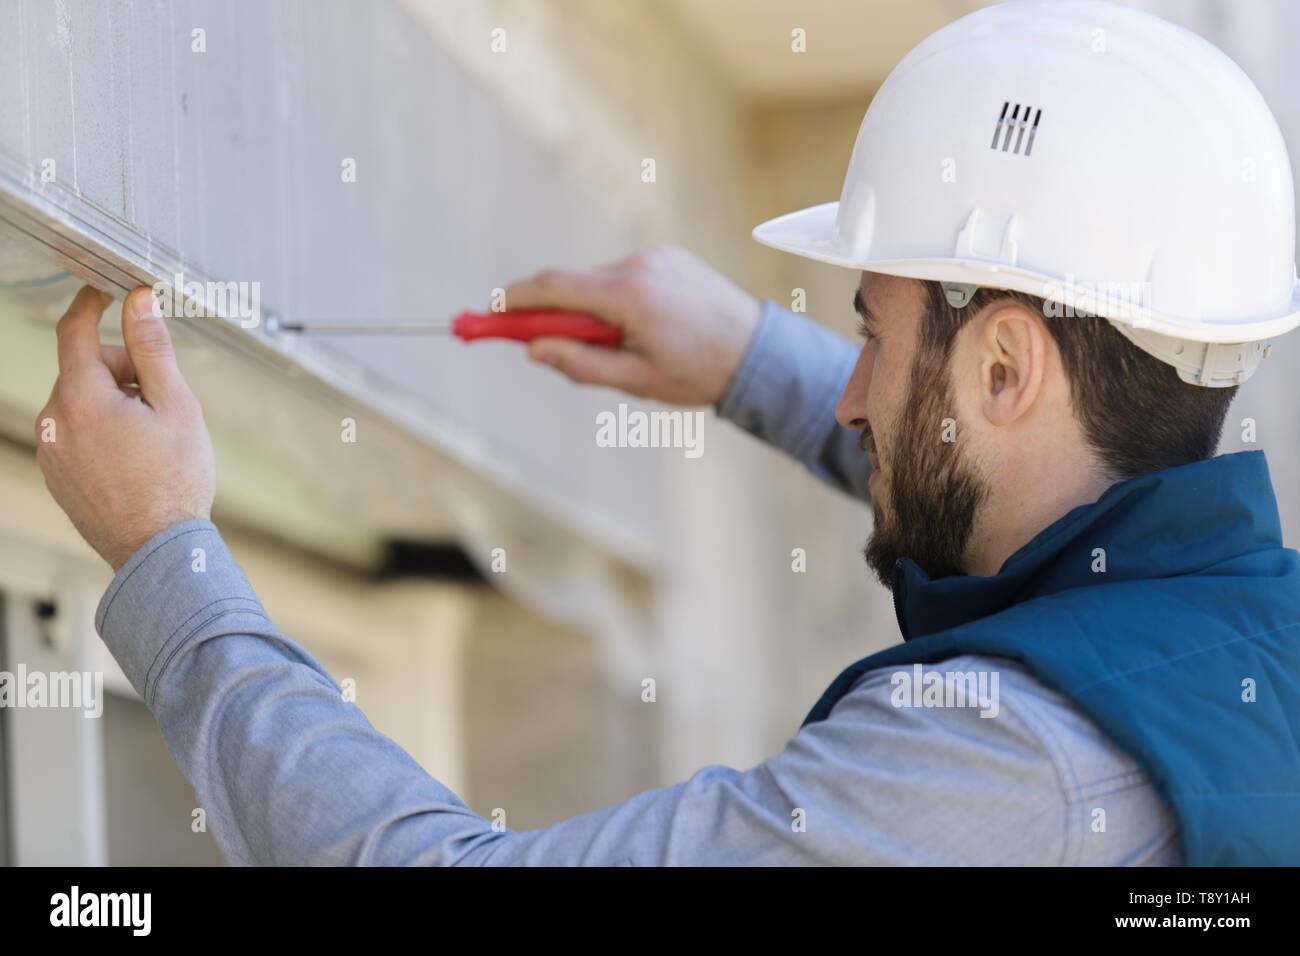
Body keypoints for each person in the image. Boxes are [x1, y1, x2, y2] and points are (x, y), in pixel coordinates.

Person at [34, 1, 1300, 865]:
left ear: (1007, 367)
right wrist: (745, 359)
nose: (850, 397)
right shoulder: (1243, 637)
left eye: (871, 337)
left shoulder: (995, 762)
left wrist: (165, 557)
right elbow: (977, 468)